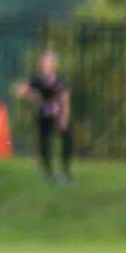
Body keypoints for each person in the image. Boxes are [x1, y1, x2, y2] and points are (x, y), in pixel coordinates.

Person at [14, 49, 73, 182]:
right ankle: (47, 171)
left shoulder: (60, 80)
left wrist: (64, 116)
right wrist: (33, 96)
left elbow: (65, 97)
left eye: (52, 61)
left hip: (58, 113)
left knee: (67, 138)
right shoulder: (36, 79)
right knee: (44, 142)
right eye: (46, 62)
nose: (49, 64)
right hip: (43, 114)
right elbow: (20, 90)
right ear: (42, 64)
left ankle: (65, 169)